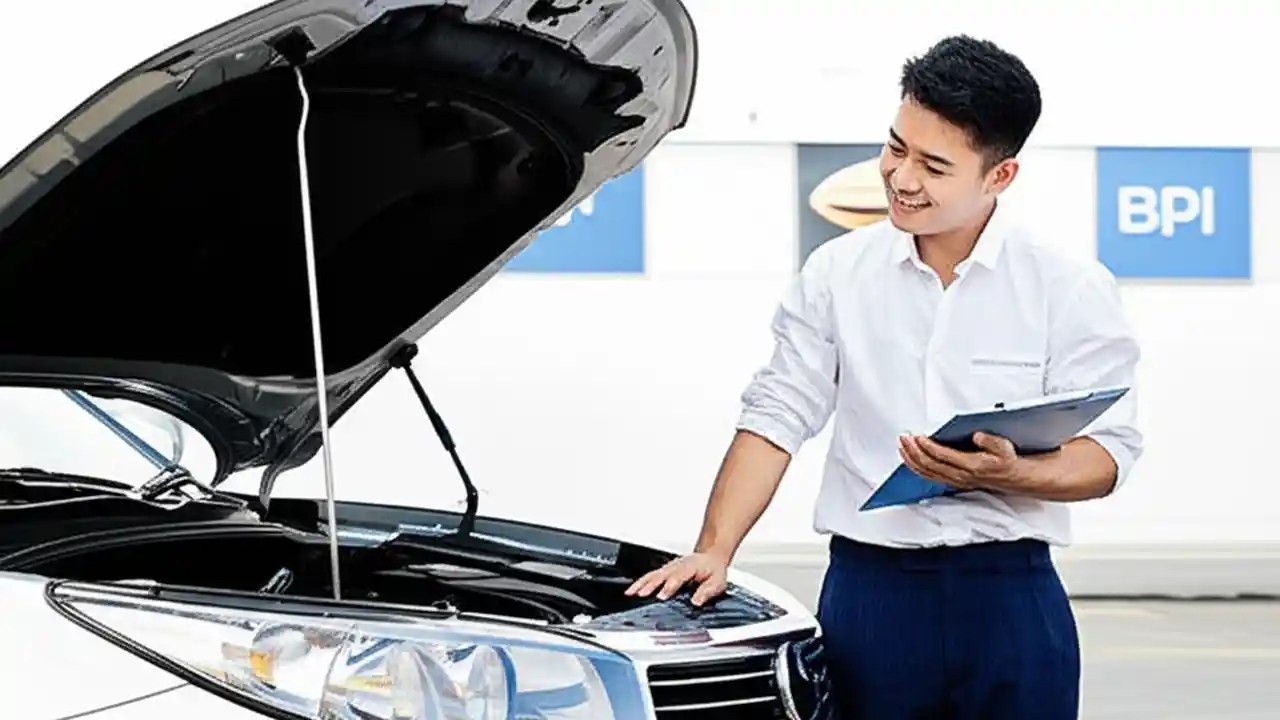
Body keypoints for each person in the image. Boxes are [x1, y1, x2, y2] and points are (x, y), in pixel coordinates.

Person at [626, 34, 1142, 720]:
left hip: (1010, 598)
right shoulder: (837, 276)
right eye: (896, 147)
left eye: (933, 165)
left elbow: (1109, 454)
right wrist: (715, 548)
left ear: (1000, 176)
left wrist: (1008, 475)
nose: (901, 178)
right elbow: (777, 415)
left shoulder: (1070, 288)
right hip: (872, 599)